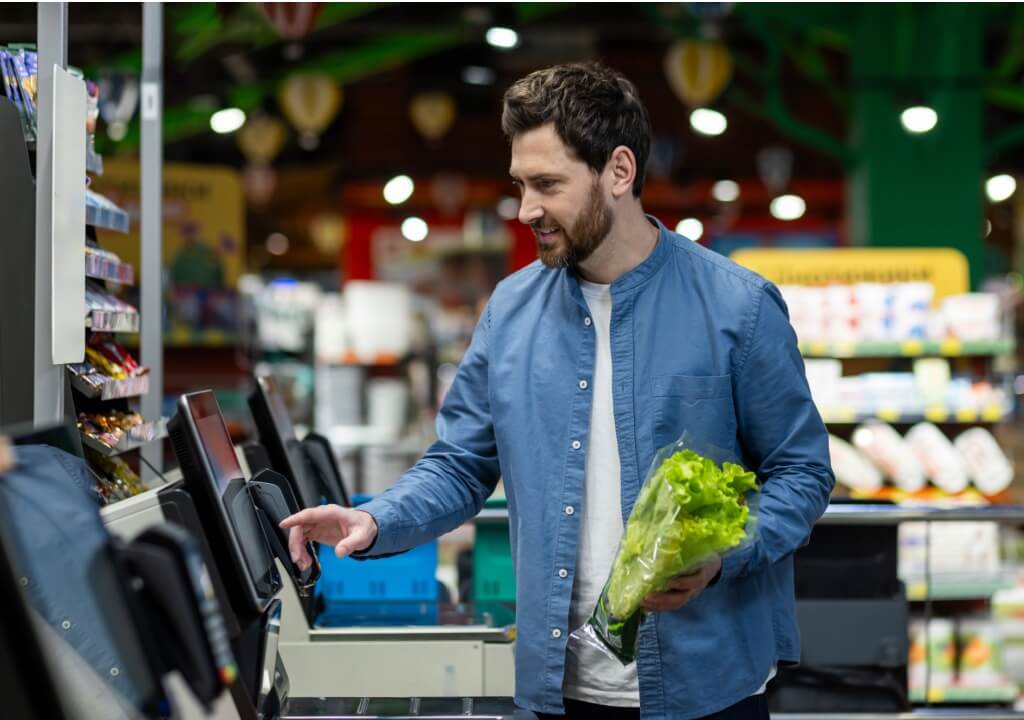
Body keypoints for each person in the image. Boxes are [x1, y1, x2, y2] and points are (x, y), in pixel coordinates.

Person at [281, 62, 834, 720]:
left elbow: (801, 471)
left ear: (619, 172)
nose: (526, 209)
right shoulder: (510, 310)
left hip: (707, 685)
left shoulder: (737, 307)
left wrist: (725, 554)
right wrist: (376, 520)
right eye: (520, 184)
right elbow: (461, 463)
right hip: (559, 689)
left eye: (547, 184)